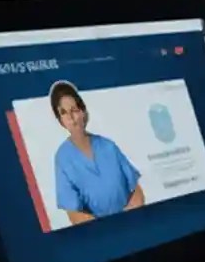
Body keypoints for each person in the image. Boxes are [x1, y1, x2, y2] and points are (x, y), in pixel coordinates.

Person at [49, 81, 145, 225]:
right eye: (63, 112)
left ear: (83, 112)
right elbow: (74, 214)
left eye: (74, 110)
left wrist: (127, 220)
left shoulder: (108, 146)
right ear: (60, 121)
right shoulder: (62, 159)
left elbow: (136, 190)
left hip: (131, 225)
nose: (70, 117)